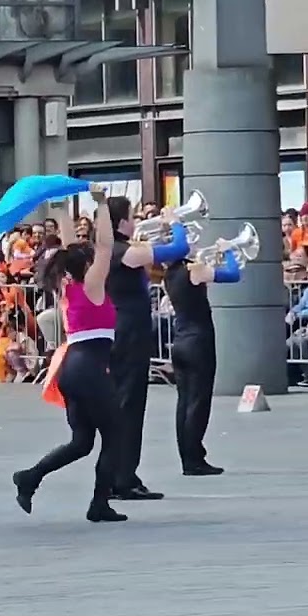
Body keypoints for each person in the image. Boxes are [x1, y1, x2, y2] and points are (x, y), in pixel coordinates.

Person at [13, 184, 129, 524]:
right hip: (89, 368)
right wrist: (102, 204)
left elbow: (68, 248)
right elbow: (106, 245)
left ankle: (30, 477)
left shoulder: (67, 284)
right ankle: (99, 504)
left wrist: (61, 209)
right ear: (88, 265)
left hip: (71, 369)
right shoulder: (92, 285)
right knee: (116, 433)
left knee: (81, 442)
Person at [105, 196, 190, 501]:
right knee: (130, 404)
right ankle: (123, 478)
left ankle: (120, 474)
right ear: (119, 222)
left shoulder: (110, 250)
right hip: (129, 334)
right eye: (131, 217)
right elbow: (178, 249)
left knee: (124, 404)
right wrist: (176, 223)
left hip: (122, 332)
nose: (136, 221)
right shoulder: (122, 252)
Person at [164, 239, 242, 476]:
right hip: (199, 341)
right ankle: (194, 458)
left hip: (180, 340)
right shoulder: (193, 270)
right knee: (199, 402)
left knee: (184, 402)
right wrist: (228, 249)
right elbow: (233, 274)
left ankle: (188, 456)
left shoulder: (170, 274)